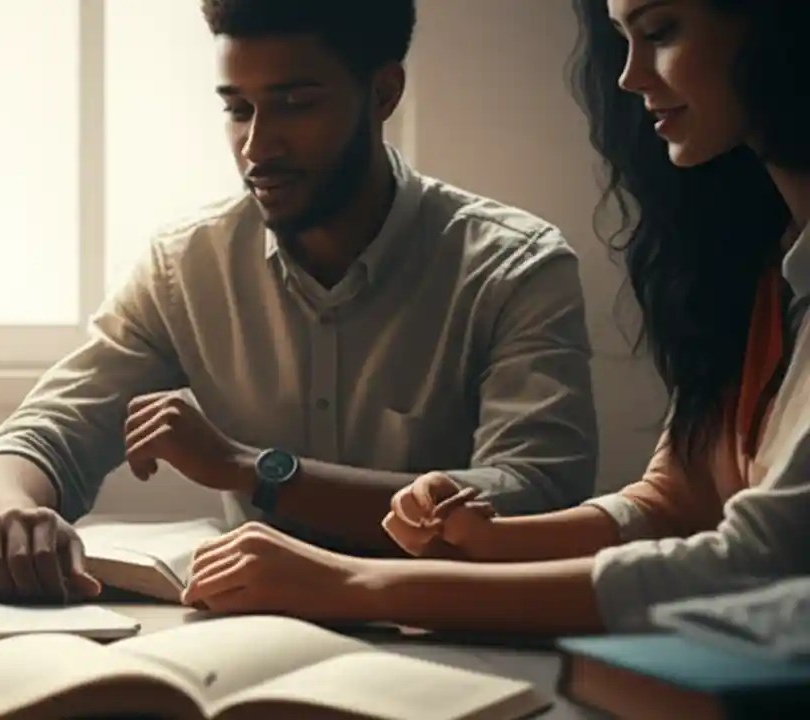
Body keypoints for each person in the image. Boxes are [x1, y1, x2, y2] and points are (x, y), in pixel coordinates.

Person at [181, 0, 810, 634]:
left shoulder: (512, 261)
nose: (629, 76)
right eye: (621, 39)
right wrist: (489, 539)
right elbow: (674, 500)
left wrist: (351, 583)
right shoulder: (759, 265)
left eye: (660, 32)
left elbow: (762, 566)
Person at [0, 0, 599, 602]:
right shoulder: (186, 266)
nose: (258, 147)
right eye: (238, 109)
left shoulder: (516, 267)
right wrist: (15, 517)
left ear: (383, 93)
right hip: (250, 634)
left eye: (294, 105)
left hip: (449, 633)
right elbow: (46, 435)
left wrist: (258, 470)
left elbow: (538, 496)